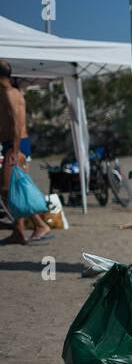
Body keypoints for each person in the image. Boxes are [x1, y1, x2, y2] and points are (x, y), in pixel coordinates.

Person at [1, 62, 53, 244]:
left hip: (16, 145)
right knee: (15, 188)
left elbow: (17, 124)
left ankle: (40, 225)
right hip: (12, 144)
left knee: (7, 189)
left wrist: (14, 151)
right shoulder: (6, 93)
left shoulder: (10, 94)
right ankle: (18, 231)